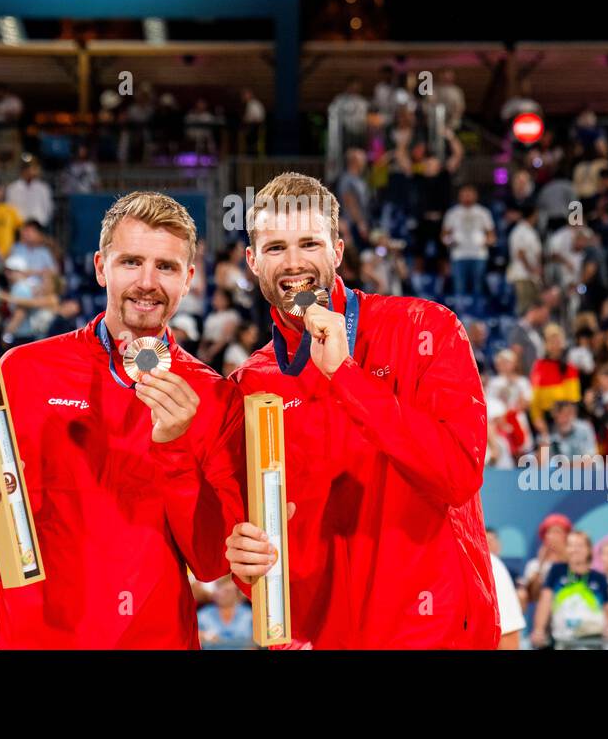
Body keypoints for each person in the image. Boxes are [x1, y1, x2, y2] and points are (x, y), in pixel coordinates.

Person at [0, 192, 247, 648]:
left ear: (188, 279)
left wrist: (176, 448)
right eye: (130, 262)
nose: (147, 282)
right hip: (29, 638)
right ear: (101, 267)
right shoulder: (24, 369)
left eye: (165, 267)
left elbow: (209, 561)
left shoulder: (215, 396)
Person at [223, 172, 499, 648]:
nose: (293, 264)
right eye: (274, 249)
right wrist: (247, 564)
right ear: (252, 261)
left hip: (434, 635)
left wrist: (347, 376)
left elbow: (456, 474)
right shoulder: (251, 384)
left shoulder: (424, 328)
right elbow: (258, 550)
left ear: (337, 250)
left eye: (309, 243)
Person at [530, 530, 608, 648]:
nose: (574, 550)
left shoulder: (599, 578)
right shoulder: (556, 570)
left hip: (592, 641)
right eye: (570, 545)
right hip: (562, 640)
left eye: (579, 545)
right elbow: (545, 601)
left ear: (589, 549)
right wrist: (539, 630)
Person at [441, 184, 495, 300]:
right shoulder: (452, 213)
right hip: (459, 255)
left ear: (475, 196)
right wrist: (450, 241)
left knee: (478, 288)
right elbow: (444, 236)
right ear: (459, 196)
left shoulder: (483, 212)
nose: (467, 197)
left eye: (469, 194)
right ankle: (460, 315)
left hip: (478, 255)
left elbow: (491, 235)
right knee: (459, 288)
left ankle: (477, 315)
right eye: (464, 195)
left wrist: (485, 242)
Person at [486, 529, 527, 650]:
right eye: (487, 541)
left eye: (491, 541)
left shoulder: (494, 568)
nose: (489, 545)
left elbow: (508, 632)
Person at [196, 576, 253, 647]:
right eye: (219, 589)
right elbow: (191, 635)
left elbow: (255, 642)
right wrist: (204, 636)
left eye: (227, 591)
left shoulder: (248, 613)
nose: (222, 594)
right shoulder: (203, 614)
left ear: (237, 594)